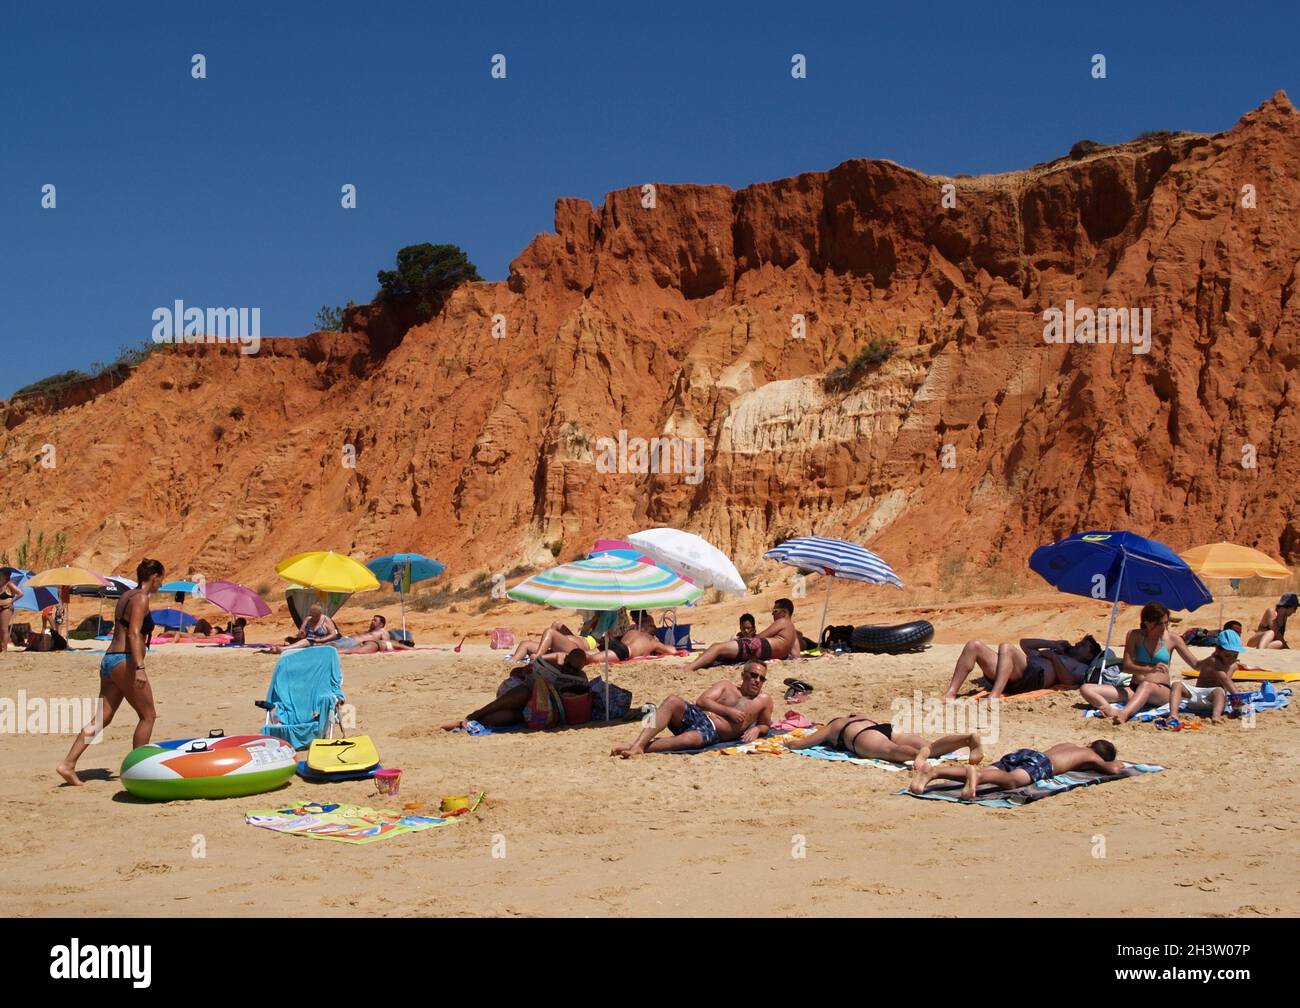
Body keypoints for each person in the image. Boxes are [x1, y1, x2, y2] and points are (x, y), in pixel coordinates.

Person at [57, 558, 166, 786]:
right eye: (161, 579)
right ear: (154, 577)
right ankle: (140, 770)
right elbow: (135, 634)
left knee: (102, 718)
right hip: (124, 661)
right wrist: (139, 667)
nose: (161, 584)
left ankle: (68, 764)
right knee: (148, 716)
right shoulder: (141, 598)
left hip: (109, 660)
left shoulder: (126, 596)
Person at [610, 661, 774, 757]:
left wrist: (758, 730)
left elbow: (766, 724)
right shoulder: (726, 686)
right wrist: (728, 711)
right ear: (743, 675)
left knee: (689, 740)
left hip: (714, 731)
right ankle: (639, 742)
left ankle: (638, 746)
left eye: (761, 678)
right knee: (672, 700)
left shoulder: (764, 700)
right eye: (753, 675)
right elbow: (702, 701)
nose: (757, 681)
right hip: (699, 715)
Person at [1080, 602, 1200, 724]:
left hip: (1160, 691)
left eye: (1166, 623)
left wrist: (1214, 659)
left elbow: (1195, 664)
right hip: (1134, 689)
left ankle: (1124, 714)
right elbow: (1127, 666)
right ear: (1147, 623)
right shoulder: (1134, 635)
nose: (1163, 627)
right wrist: (1150, 669)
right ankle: (1110, 710)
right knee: (1086, 688)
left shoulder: (1173, 639)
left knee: (1147, 685)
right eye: (1159, 624)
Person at [909, 739, 1121, 799]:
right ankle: (977, 776)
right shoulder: (1091, 755)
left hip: (1027, 753)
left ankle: (934, 772)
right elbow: (1110, 769)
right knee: (1012, 781)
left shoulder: (1068, 745)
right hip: (1042, 764)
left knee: (994, 773)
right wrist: (1116, 763)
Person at [441, 649, 590, 731]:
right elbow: (514, 673)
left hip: (537, 710)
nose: (569, 669)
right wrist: (525, 672)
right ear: (566, 657)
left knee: (502, 718)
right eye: (568, 664)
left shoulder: (581, 679)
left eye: (574, 669)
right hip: (519, 693)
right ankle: (474, 715)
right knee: (524, 692)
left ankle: (463, 723)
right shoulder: (552, 662)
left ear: (582, 668)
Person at [942, 634, 1101, 699]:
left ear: (1089, 655)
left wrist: (1054, 658)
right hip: (1014, 672)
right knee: (973, 645)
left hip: (1033, 677)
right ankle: (950, 693)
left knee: (1006, 647)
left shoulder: (1080, 665)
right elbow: (1024, 643)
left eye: (1084, 645)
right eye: (1080, 642)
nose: (1078, 643)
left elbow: (1070, 681)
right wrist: (1050, 644)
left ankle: (995, 695)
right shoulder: (1060, 651)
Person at [784, 714, 983, 765]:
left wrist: (787, 743)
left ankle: (916, 756)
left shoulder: (834, 726)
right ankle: (967, 738)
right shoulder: (858, 715)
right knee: (931, 746)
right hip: (886, 727)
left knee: (890, 751)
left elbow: (803, 744)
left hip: (863, 737)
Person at [687, 598, 802, 671]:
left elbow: (759, 638)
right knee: (723, 653)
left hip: (763, 647)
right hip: (767, 652)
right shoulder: (792, 630)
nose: (772, 613)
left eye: (775, 611)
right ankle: (700, 663)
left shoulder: (782, 622)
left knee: (717, 647)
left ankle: (689, 668)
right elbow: (796, 655)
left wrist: (745, 640)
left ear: (785, 612)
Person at [1168, 628, 1243, 724]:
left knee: (1219, 691)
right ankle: (1173, 714)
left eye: (1235, 656)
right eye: (1227, 655)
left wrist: (1237, 706)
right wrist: (1238, 699)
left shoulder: (1233, 665)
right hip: (1197, 695)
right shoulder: (1214, 661)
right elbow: (1226, 681)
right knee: (1177, 685)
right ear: (1217, 651)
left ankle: (1216, 716)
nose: (1230, 659)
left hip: (1212, 700)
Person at [259, 605, 344, 654]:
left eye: (316, 617)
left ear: (320, 614)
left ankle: (283, 649)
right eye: (313, 616)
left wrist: (320, 640)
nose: (314, 619)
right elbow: (301, 634)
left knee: (308, 642)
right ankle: (284, 649)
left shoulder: (326, 620)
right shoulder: (308, 619)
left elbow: (333, 634)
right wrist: (302, 633)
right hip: (309, 641)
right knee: (306, 641)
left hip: (323, 642)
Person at [0, 567, 25, 654]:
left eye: (1, 574)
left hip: (6, 608)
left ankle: (4, 649)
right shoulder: (0, 584)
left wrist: (12, 602)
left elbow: (20, 593)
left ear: (5, 576)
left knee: (4, 629)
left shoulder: (9, 584)